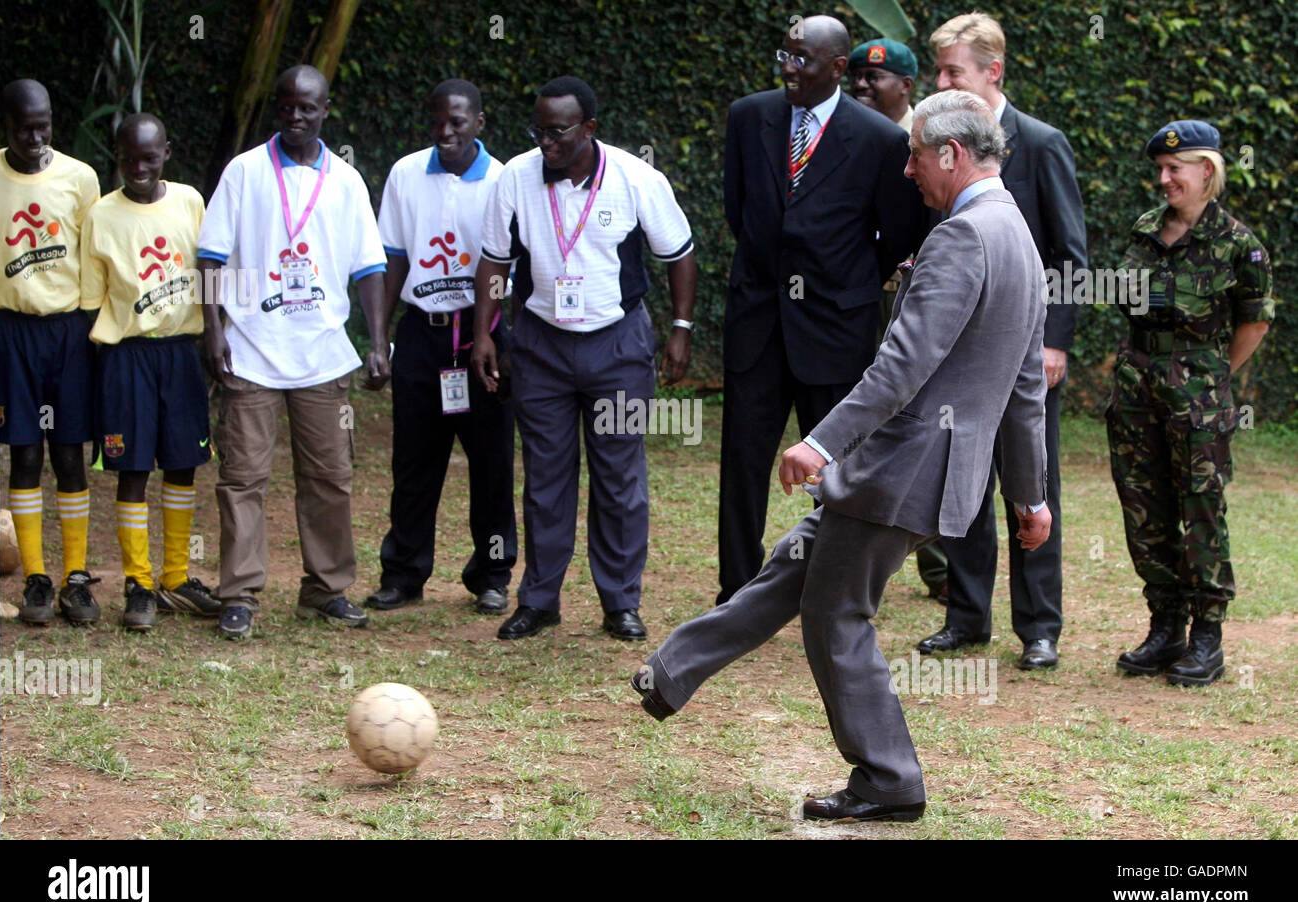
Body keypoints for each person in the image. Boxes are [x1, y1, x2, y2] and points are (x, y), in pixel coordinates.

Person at [633, 91, 1050, 822]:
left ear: (951, 154)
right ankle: (671, 671)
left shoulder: (961, 238)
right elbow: (1022, 389)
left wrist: (821, 439)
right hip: (928, 472)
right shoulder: (1014, 231)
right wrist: (1029, 496)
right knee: (798, 563)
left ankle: (888, 777)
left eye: (916, 152)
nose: (908, 166)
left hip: (902, 470)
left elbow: (902, 364)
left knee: (835, 615)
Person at [470, 75, 697, 642]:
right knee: (545, 479)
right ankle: (540, 599)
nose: (546, 143)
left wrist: (681, 329)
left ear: (589, 128)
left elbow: (680, 253)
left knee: (619, 478)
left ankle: (620, 602)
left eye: (558, 132)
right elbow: (495, 263)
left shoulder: (635, 178)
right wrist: (484, 334)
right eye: (539, 131)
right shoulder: (514, 179)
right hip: (541, 342)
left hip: (617, 344)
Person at [716, 15, 926, 604]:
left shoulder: (882, 140)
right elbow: (740, 211)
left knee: (838, 466)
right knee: (743, 464)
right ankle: (737, 587)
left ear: (837, 68)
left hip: (835, 327)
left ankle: (836, 587)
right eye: (784, 55)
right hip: (757, 320)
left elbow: (897, 232)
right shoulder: (748, 117)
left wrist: (841, 280)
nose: (789, 68)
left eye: (803, 59)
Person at [918, 12, 1088, 670]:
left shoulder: (1041, 144)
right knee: (958, 479)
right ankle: (966, 616)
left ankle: (1040, 626)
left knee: (1032, 482)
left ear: (993, 71)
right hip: (959, 352)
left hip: (1026, 353)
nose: (941, 81)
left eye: (952, 70)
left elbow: (1069, 254)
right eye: (938, 70)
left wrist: (1056, 341)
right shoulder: (939, 143)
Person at [197, 65, 389, 641]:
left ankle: (326, 589)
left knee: (330, 476)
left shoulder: (347, 181)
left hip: (324, 355)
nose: (297, 117)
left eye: (308, 108)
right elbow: (210, 257)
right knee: (243, 477)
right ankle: (239, 594)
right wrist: (212, 329)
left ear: (326, 109)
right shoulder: (245, 172)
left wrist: (378, 342)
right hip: (251, 351)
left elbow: (370, 268)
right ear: (276, 110)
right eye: (287, 107)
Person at [1109, 120, 1272, 686]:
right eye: (1159, 168)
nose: (1164, 178)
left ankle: (1208, 636)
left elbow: (1254, 322)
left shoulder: (1239, 244)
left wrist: (1211, 377)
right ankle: (1165, 627)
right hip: (1135, 390)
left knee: (1201, 510)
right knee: (1143, 508)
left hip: (1198, 393)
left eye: (1174, 169)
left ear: (1207, 171)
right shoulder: (1144, 231)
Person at [364, 79, 518, 616]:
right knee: (413, 461)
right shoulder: (407, 173)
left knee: (493, 463)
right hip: (421, 334)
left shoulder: (504, 180)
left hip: (486, 338)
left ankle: (492, 574)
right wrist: (380, 339)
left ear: (479, 121)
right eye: (438, 121)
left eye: (457, 121)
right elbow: (393, 258)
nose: (446, 131)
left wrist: (490, 334)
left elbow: (505, 269)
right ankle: (404, 574)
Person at [79, 113, 220, 631]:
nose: (139, 167)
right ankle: (138, 583)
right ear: (116, 157)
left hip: (181, 352)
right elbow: (91, 301)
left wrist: (212, 340)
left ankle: (176, 578)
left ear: (166, 153)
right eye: (128, 158)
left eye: (149, 157)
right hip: (126, 356)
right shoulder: (100, 214)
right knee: (133, 469)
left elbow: (208, 275)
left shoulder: (190, 202)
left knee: (182, 464)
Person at [0, 78, 101, 625]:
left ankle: (77, 577)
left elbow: (93, 254)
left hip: (68, 332)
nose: (35, 137)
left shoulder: (80, 177)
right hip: (11, 332)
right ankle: (37, 578)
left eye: (44, 125)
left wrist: (92, 331)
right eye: (23, 127)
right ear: (6, 126)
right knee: (25, 454)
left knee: (68, 453)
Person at [850, 35, 947, 603]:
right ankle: (862, 552)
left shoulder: (927, 140)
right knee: (871, 418)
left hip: (918, 299)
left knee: (924, 422)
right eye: (857, 76)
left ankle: (937, 567)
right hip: (867, 302)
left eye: (875, 78)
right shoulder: (848, 135)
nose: (863, 85)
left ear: (906, 86)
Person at [847, 37, 917, 131]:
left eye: (873, 77)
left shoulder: (924, 138)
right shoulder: (842, 131)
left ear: (905, 85)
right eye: (856, 76)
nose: (860, 84)